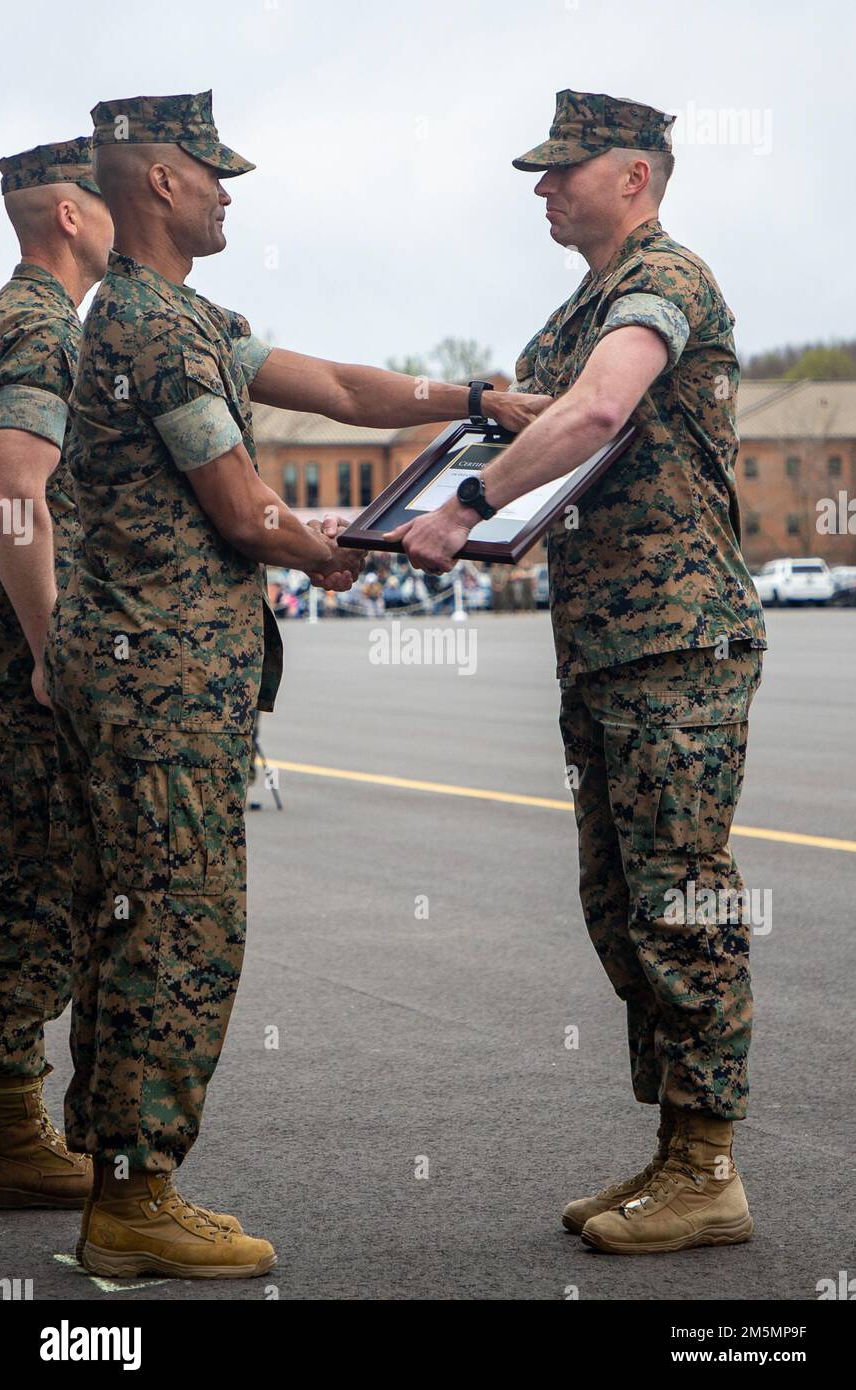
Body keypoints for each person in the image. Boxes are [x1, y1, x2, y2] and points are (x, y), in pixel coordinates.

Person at [46, 90, 550, 1280]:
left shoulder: (176, 315)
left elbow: (337, 387)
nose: (229, 195)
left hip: (154, 679)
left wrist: (472, 403)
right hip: (159, 686)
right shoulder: (155, 330)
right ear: (161, 181)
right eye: (214, 175)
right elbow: (241, 507)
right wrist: (337, 543)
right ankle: (134, 1199)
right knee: (181, 924)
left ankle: (117, 1178)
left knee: (134, 918)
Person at [391, 89, 767, 1255]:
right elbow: (543, 424)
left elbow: (599, 411)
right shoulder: (573, 313)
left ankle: (708, 1167)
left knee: (680, 899)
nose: (542, 187)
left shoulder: (664, 280)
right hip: (602, 648)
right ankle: (676, 1148)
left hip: (677, 642)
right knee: (619, 906)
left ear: (634, 176)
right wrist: (459, 454)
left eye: (563, 168)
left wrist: (463, 504)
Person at [0, 138, 113, 1209]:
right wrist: (51, 649)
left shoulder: (5, 318)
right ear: (71, 215)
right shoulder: (41, 328)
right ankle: (8, 1130)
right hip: (12, 669)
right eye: (106, 200)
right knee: (30, 886)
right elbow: (12, 491)